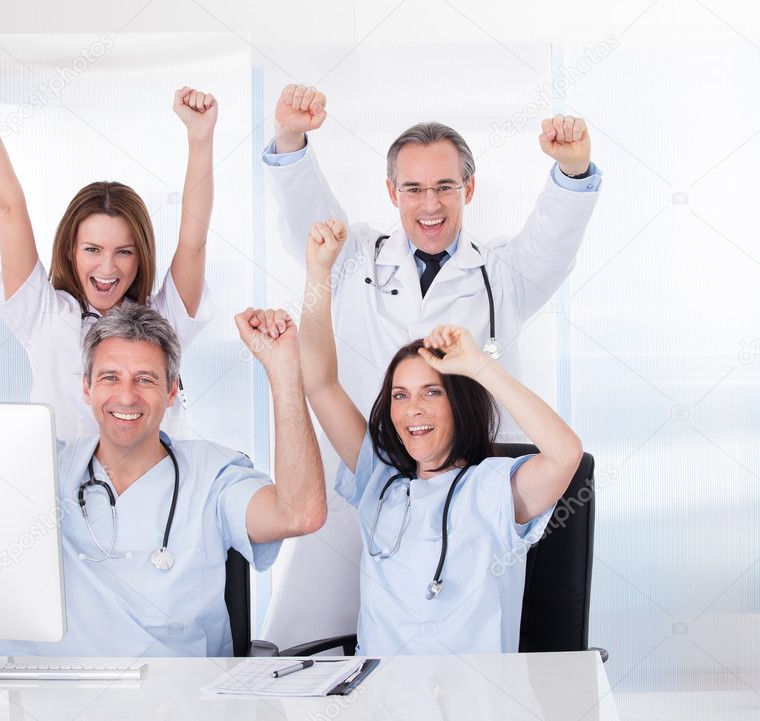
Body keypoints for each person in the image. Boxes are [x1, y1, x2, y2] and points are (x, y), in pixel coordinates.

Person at [0, 201, 326, 656]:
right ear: (85, 389)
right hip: (43, 700)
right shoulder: (41, 464)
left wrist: (283, 372)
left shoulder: (213, 478)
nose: (126, 397)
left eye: (145, 379)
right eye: (109, 378)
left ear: (172, 390)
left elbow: (299, 514)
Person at [257, 83, 601, 648]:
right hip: (368, 478)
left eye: (445, 186)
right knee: (319, 646)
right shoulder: (359, 256)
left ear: (469, 187)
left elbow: (554, 242)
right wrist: (293, 139)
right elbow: (313, 236)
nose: (430, 204)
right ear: (391, 192)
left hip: (469, 489)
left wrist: (572, 171)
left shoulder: (502, 273)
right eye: (413, 188)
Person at [273, 218, 582, 655]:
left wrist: (479, 366)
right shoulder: (380, 483)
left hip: (470, 705)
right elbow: (319, 382)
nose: (412, 409)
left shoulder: (492, 488)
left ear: (459, 404)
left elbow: (566, 454)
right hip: (380, 702)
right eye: (400, 395)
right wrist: (318, 272)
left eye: (431, 392)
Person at [0, 41, 218, 440]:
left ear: (141, 258)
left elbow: (193, 239)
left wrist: (200, 138)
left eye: (124, 252)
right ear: (70, 253)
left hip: (156, 493)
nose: (107, 268)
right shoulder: (44, 314)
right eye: (93, 250)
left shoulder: (165, 320)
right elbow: (9, 204)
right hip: (64, 492)